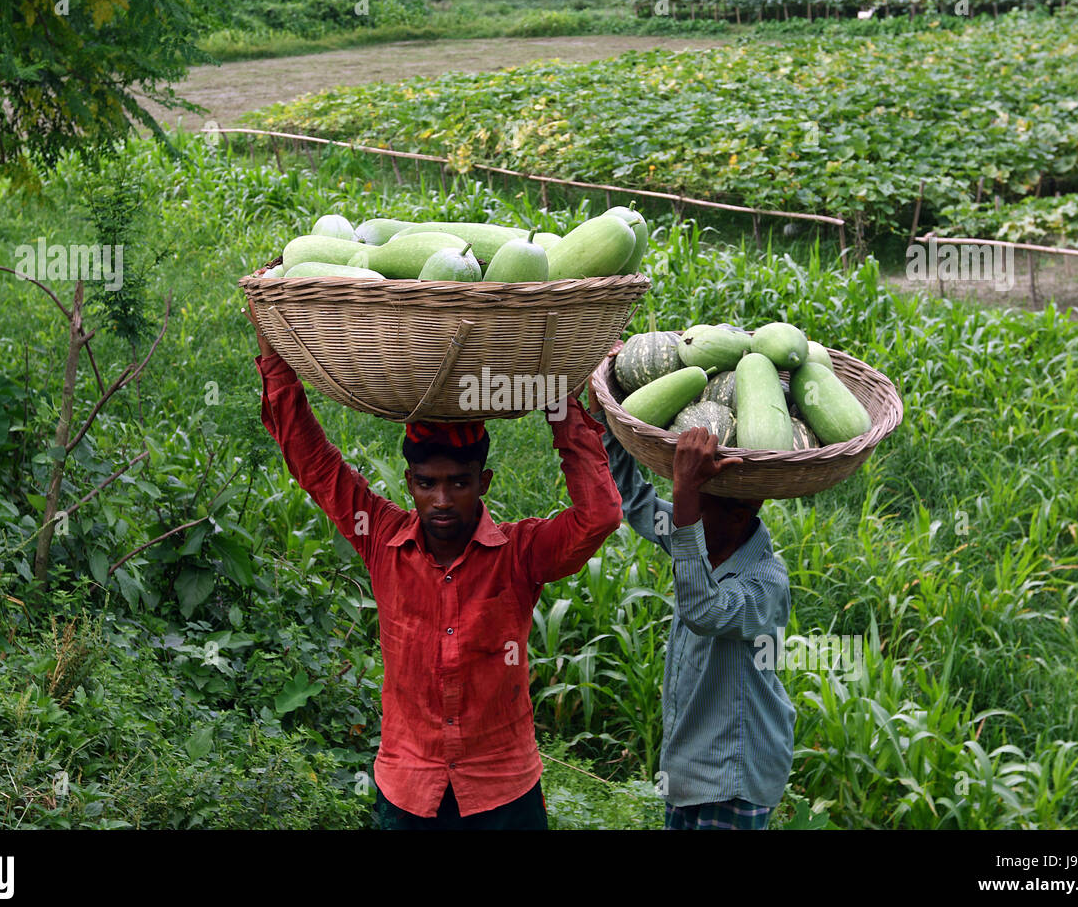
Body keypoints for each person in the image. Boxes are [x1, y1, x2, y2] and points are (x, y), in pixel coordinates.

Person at [245, 300, 622, 829]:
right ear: (411, 485)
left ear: (483, 483)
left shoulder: (520, 554)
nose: (442, 500)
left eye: (458, 483)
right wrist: (273, 348)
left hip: (503, 790)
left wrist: (559, 402)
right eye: (427, 484)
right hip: (408, 786)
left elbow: (598, 516)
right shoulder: (379, 537)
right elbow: (313, 461)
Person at [587, 342, 795, 829]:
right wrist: (607, 419)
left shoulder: (765, 582)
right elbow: (635, 501)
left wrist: (683, 499)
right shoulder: (700, 536)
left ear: (741, 514)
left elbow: (704, 611)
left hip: (735, 775)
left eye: (695, 506)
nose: (685, 519)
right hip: (690, 768)